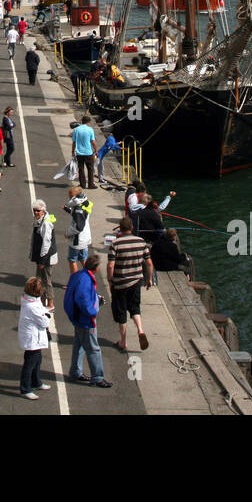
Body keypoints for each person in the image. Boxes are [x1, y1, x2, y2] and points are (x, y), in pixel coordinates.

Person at [63, 252, 111, 388]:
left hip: (77, 317)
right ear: (95, 268)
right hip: (84, 319)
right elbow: (84, 301)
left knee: (79, 346)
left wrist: (96, 299)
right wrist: (94, 310)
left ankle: (75, 372)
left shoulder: (79, 276)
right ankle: (97, 377)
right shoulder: (86, 280)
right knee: (93, 348)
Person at [107, 216, 154, 351]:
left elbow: (110, 266)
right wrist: (148, 279)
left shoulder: (115, 244)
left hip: (120, 282)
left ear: (120, 229)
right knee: (135, 307)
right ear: (132, 228)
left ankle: (123, 341)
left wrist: (110, 280)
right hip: (136, 281)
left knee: (121, 312)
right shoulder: (141, 242)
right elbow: (149, 263)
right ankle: (140, 329)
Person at [18, 277, 54, 400]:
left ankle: (36, 382)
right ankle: (25, 389)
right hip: (32, 339)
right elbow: (44, 322)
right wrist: (47, 314)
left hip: (35, 338)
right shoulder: (32, 306)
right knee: (30, 364)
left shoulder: (30, 300)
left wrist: (44, 311)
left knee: (37, 360)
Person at [30, 200, 59, 306]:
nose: (35, 213)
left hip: (46, 258)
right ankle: (41, 302)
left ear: (43, 211)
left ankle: (50, 304)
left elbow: (46, 244)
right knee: (40, 281)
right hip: (41, 257)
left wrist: (42, 261)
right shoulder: (40, 221)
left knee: (46, 281)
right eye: (34, 211)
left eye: (38, 211)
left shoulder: (46, 224)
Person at [63, 184, 93, 273]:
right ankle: (90, 279)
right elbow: (80, 217)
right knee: (84, 259)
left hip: (77, 240)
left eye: (70, 197)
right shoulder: (85, 203)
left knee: (72, 260)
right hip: (85, 238)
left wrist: (67, 233)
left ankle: (75, 282)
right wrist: (68, 210)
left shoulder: (77, 208)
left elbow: (78, 227)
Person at [71, 114, 97, 192]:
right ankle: (91, 184)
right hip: (88, 152)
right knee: (90, 169)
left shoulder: (76, 130)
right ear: (88, 122)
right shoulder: (90, 130)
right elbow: (93, 142)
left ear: (82, 121)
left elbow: (74, 142)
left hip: (79, 153)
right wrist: (96, 150)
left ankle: (82, 184)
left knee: (81, 169)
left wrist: (72, 151)